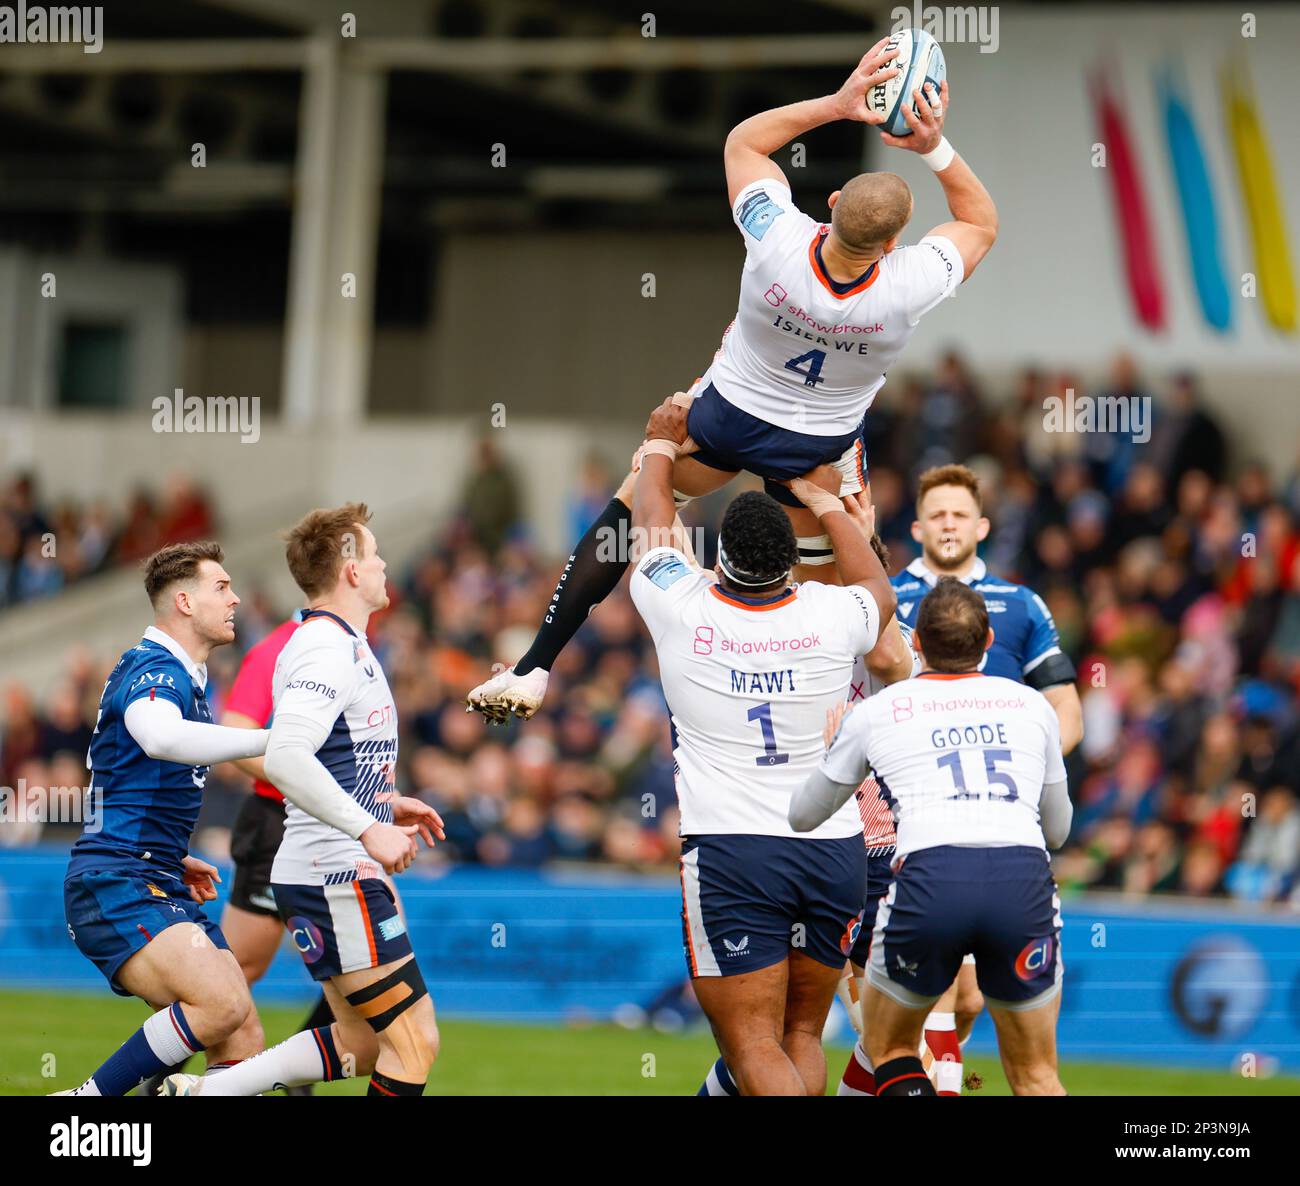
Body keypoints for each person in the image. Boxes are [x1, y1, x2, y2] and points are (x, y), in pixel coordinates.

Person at [467, 36, 996, 723]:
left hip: (724, 420)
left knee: (631, 512)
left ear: (830, 204)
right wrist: (932, 145)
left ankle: (536, 666)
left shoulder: (776, 240)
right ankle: (861, 730)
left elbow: (745, 145)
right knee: (838, 603)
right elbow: (979, 220)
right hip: (816, 454)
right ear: (895, 244)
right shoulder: (908, 285)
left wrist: (841, 104)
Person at [627, 399, 897, 1095]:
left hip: (733, 851)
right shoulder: (832, 614)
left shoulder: (682, 607)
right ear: (789, 560)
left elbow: (655, 532)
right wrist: (823, 502)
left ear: (721, 557)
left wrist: (660, 449)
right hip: (832, 846)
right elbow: (877, 587)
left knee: (751, 1046)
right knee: (799, 1035)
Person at [161, 504, 445, 1097]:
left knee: (363, 1043)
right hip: (334, 870)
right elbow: (288, 756)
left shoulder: (341, 643)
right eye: (372, 554)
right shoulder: (325, 648)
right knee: (415, 1041)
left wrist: (384, 804)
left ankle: (206, 1092)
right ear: (349, 571)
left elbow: (328, 755)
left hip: (326, 867)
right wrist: (368, 829)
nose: (384, 563)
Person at [790, 579, 1073, 1096]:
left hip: (931, 878)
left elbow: (803, 816)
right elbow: (1057, 830)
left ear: (915, 644)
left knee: (890, 1047)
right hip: (1022, 880)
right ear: (988, 642)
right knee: (1036, 1074)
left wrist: (834, 753)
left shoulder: (880, 711)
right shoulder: (1034, 708)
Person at [57, 543, 272, 1095]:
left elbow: (129, 773)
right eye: (221, 588)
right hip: (116, 880)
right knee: (222, 1003)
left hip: (152, 873)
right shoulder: (155, 668)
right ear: (183, 601)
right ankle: (85, 1104)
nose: (236, 599)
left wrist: (170, 854)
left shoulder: (189, 680)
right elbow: (157, 737)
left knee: (243, 1033)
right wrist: (272, 737)